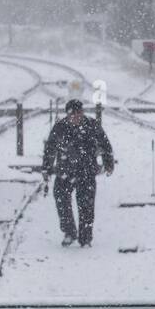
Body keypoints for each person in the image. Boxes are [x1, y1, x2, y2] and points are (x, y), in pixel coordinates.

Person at [41, 99, 115, 247]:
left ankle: (85, 238)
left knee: (86, 206)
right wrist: (46, 168)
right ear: (67, 115)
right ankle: (69, 232)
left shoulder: (92, 125)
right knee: (61, 199)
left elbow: (105, 145)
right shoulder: (60, 127)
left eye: (78, 113)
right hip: (65, 171)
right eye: (72, 114)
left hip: (86, 171)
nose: (76, 117)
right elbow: (50, 149)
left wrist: (108, 163)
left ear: (82, 112)